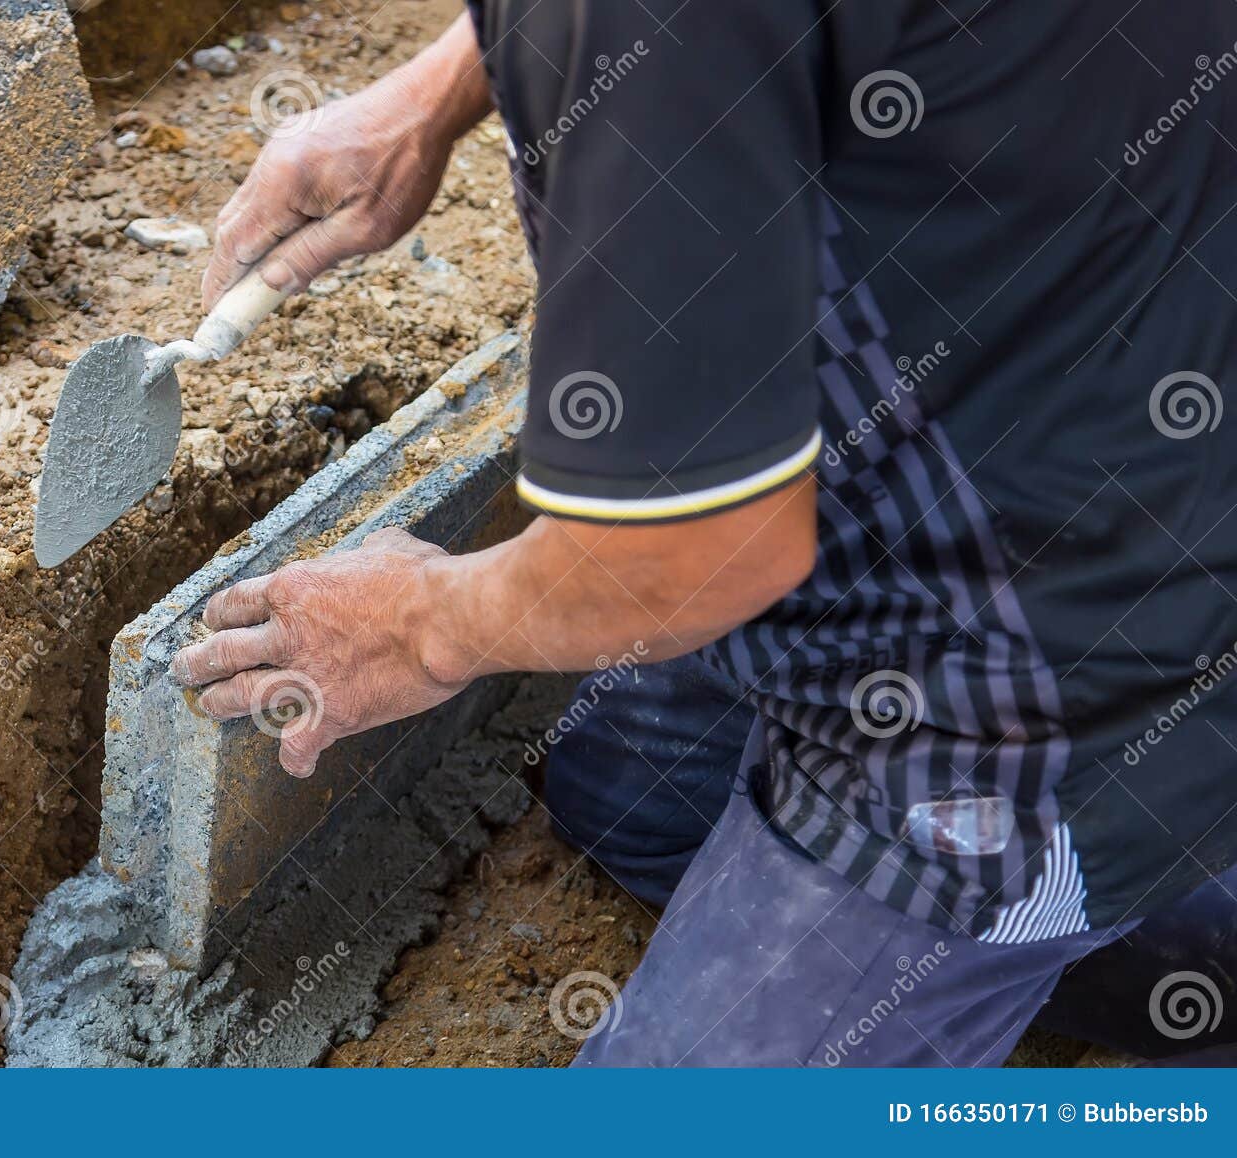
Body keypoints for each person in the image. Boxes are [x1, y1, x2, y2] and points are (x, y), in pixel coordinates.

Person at [171, 1, 1237, 1065]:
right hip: (1100, 358)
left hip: (1048, 675)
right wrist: (438, 90)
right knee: (629, 787)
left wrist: (415, 627)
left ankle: (1093, 883)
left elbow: (680, 560)